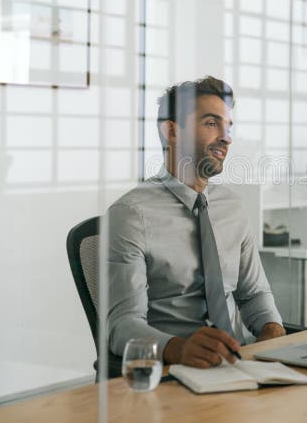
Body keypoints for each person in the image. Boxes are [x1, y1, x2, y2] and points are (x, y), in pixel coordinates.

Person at [107, 76, 286, 369]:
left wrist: (272, 330)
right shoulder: (131, 214)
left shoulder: (233, 207)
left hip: (238, 366)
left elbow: (254, 294)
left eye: (228, 127)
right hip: (174, 372)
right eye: (212, 123)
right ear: (172, 131)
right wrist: (178, 349)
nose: (226, 137)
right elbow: (122, 326)